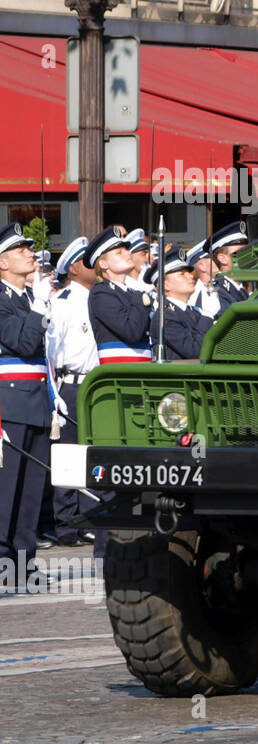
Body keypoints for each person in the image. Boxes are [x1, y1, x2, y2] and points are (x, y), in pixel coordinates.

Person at [45, 235, 106, 552]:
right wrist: (54, 393)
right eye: (87, 260)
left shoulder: (98, 297)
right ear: (72, 267)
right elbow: (51, 352)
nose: (94, 265)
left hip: (95, 382)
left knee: (92, 453)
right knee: (69, 456)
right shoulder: (64, 302)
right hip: (70, 384)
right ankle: (66, 523)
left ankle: (90, 518)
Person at [0, 223, 52, 576]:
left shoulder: (29, 297)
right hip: (9, 401)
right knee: (7, 490)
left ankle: (23, 563)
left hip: (37, 400)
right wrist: (40, 308)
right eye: (20, 250)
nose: (30, 255)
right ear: (2, 262)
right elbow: (21, 342)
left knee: (32, 490)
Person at [86, 227, 153, 364]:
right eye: (119, 252)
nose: (128, 254)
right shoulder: (101, 293)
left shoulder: (130, 292)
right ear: (103, 264)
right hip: (119, 375)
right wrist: (140, 297)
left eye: (127, 250)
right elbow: (131, 332)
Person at [148, 248, 215, 360]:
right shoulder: (164, 317)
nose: (190, 276)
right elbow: (195, 351)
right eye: (182, 274)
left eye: (189, 273)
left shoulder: (195, 311)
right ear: (166, 285)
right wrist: (208, 315)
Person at [210, 221, 250, 316]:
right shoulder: (217, 292)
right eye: (238, 253)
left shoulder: (241, 288)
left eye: (246, 252)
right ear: (222, 258)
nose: (245, 257)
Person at [186, 239, 220, 319]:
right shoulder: (195, 293)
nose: (218, 261)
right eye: (214, 259)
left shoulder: (224, 285)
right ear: (202, 266)